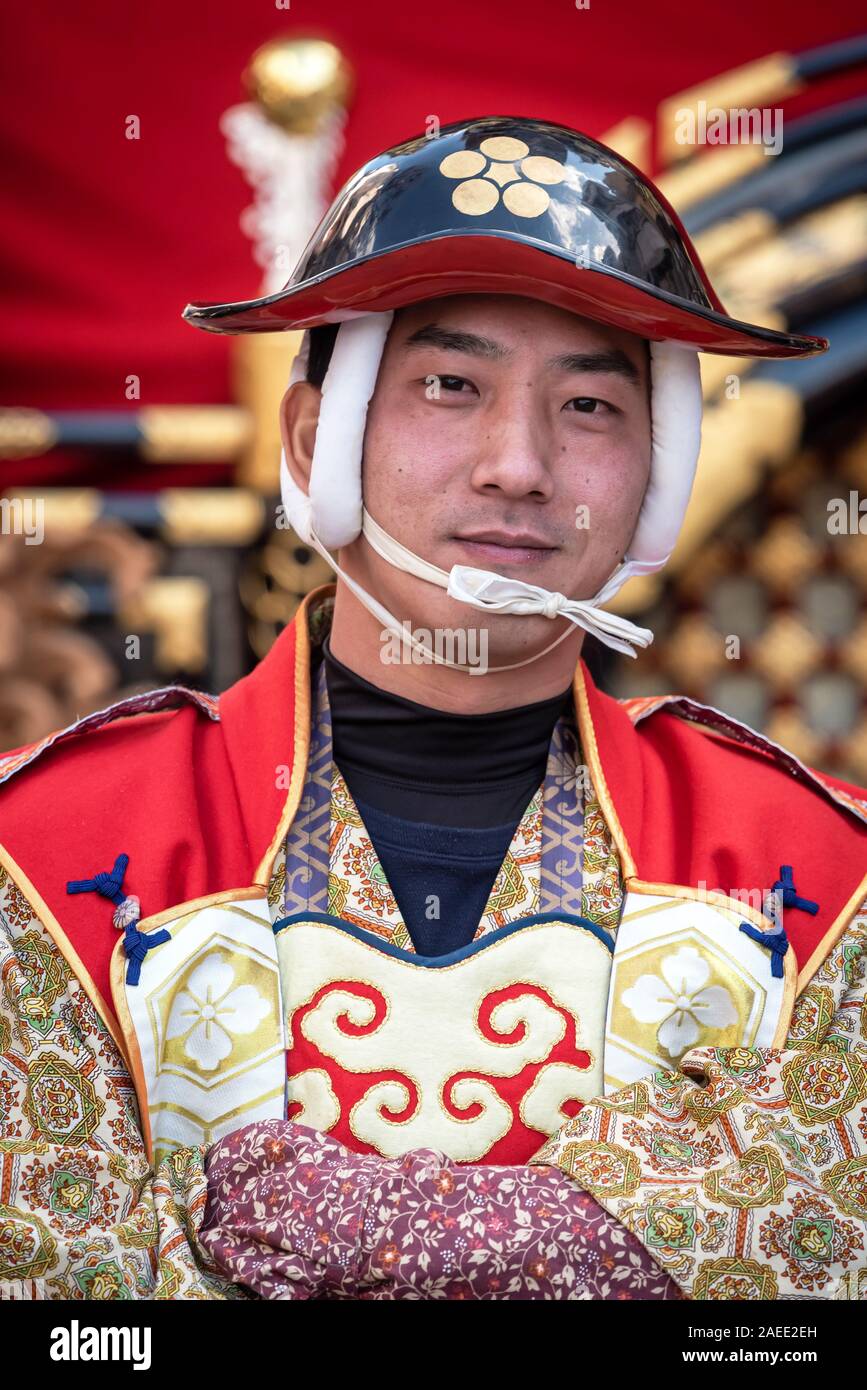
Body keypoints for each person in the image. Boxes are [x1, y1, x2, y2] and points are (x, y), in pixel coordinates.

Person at [1, 117, 864, 1302]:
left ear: (657, 483)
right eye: (451, 386)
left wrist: (531, 1230)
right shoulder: (43, 857)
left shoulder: (822, 875)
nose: (518, 463)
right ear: (319, 440)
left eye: (591, 407)